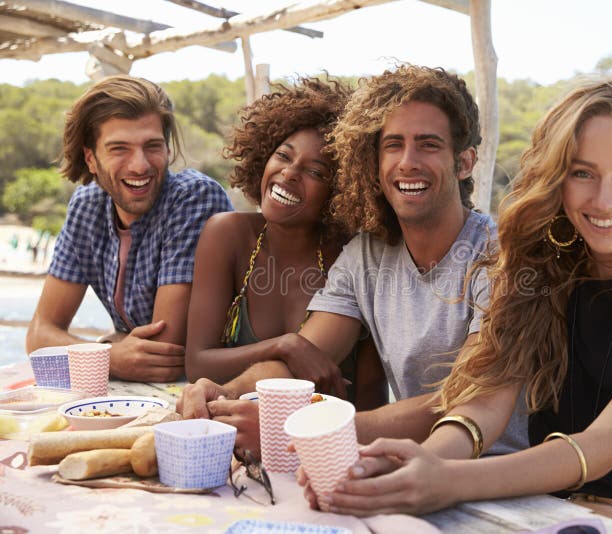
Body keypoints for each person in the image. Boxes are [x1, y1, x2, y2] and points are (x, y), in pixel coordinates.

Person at [307, 75, 612, 533]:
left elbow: (606, 441)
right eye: (582, 172)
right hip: (566, 515)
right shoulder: (529, 273)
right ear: (557, 178)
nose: (605, 199)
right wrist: (409, 465)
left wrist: (447, 479)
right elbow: (482, 405)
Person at [178, 65, 529, 456]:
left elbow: (467, 396)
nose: (407, 162)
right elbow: (302, 359)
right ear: (374, 164)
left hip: (501, 485)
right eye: (393, 145)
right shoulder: (367, 254)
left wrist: (304, 428)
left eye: (428, 144)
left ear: (464, 163)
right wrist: (225, 393)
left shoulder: (500, 255)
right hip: (396, 467)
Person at [183, 77, 387, 432]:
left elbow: (371, 397)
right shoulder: (227, 235)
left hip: (324, 441)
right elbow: (197, 364)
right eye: (283, 155)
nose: (289, 174)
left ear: (341, 190)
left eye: (315, 172)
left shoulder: (356, 258)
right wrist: (286, 346)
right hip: (239, 431)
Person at [26, 75, 233, 383]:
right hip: (142, 394)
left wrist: (106, 348)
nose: (140, 165)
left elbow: (163, 353)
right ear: (90, 159)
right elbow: (39, 337)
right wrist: (111, 353)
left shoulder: (194, 198)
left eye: (152, 146)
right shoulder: (87, 206)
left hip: (212, 390)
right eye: (119, 148)